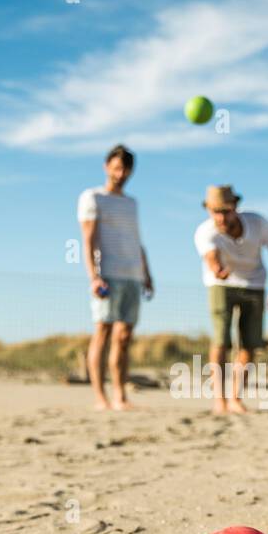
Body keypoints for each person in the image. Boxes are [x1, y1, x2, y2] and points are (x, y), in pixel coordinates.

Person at [193, 185, 268, 413]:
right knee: (221, 339)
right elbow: (211, 257)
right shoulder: (205, 232)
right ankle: (220, 400)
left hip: (255, 283)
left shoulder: (257, 224)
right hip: (221, 284)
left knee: (250, 344)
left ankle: (235, 397)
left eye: (225, 211)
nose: (221, 217)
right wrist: (217, 269)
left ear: (235, 208)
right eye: (215, 212)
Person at [78, 144, 153, 410]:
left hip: (132, 274)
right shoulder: (92, 197)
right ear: (106, 166)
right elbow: (87, 240)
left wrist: (147, 273)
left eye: (126, 169)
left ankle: (120, 395)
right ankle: (100, 397)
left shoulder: (132, 203)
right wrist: (94, 276)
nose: (121, 174)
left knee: (124, 337)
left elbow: (137, 240)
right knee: (103, 331)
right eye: (117, 167)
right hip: (107, 274)